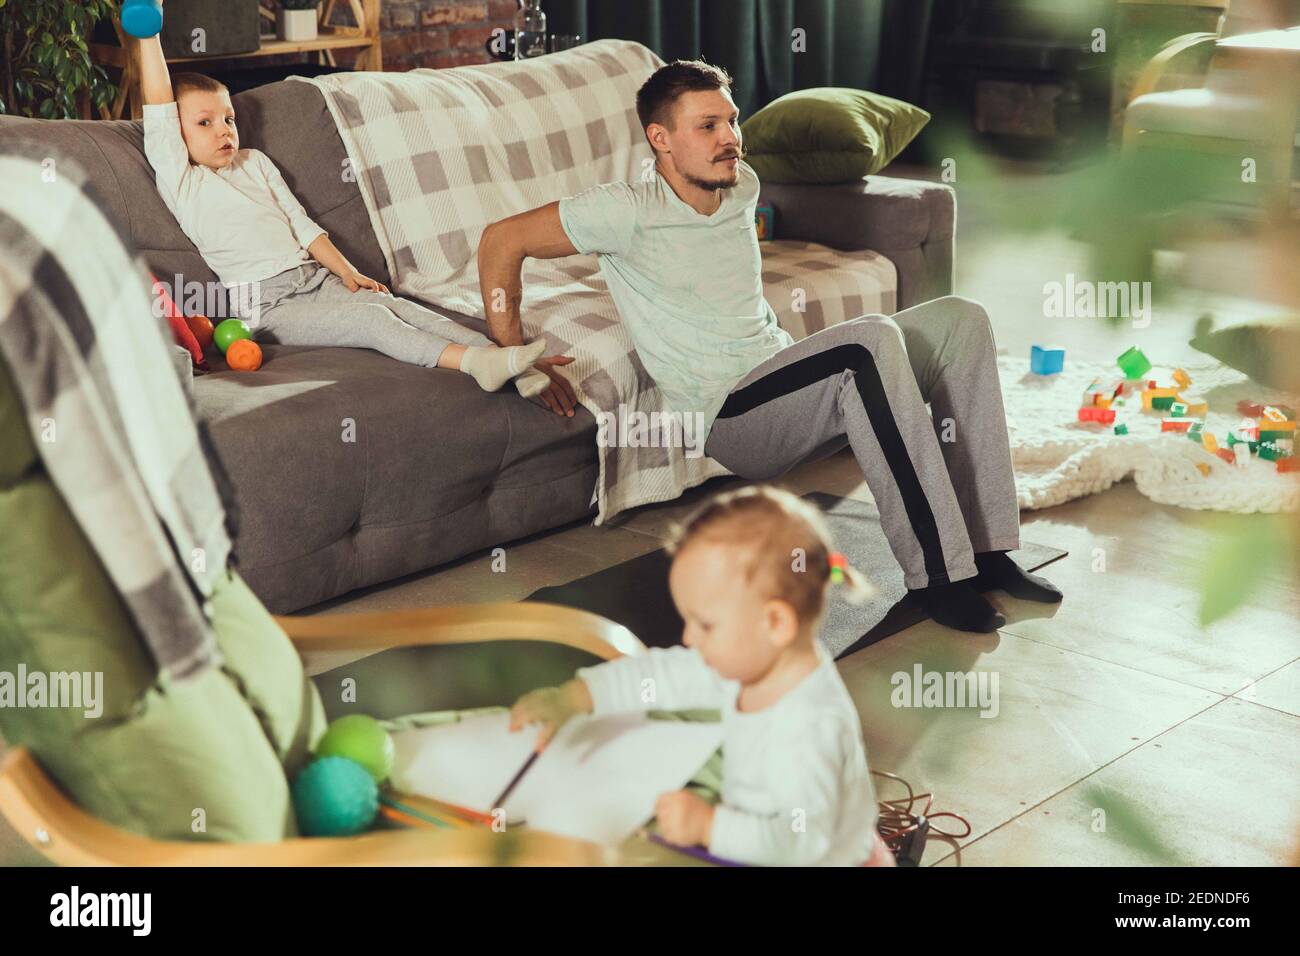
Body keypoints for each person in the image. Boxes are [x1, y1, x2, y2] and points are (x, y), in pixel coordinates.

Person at [477, 59, 1062, 632]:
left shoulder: (741, 186)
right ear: (661, 139)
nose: (730, 139)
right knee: (869, 341)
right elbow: (501, 240)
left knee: (962, 319)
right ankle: (939, 577)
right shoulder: (623, 210)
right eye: (707, 126)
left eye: (731, 121)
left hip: (784, 382)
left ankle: (987, 549)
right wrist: (515, 361)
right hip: (729, 415)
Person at [133, 7, 558, 396]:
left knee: (390, 304)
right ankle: (476, 363)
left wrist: (348, 273)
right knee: (371, 321)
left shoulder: (255, 162)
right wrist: (149, 32)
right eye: (204, 123)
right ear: (179, 135)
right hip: (267, 306)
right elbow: (158, 105)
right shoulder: (184, 180)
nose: (224, 130)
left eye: (228, 119)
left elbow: (302, 225)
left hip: (316, 278)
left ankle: (511, 363)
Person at [510, 486, 895, 866]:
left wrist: (711, 827)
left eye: (705, 625)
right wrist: (579, 696)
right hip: (759, 832)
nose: (688, 637)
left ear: (775, 623)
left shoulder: (809, 727)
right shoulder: (748, 664)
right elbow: (667, 675)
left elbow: (802, 842)